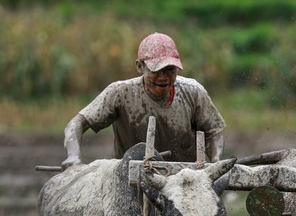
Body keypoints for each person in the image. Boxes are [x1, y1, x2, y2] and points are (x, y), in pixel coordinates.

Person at [62, 32, 225, 170]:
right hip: (129, 175)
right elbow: (76, 124)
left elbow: (214, 132)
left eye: (170, 70)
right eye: (156, 70)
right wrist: (73, 156)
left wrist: (216, 160)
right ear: (140, 66)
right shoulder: (121, 93)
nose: (163, 77)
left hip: (183, 177)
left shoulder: (193, 92)